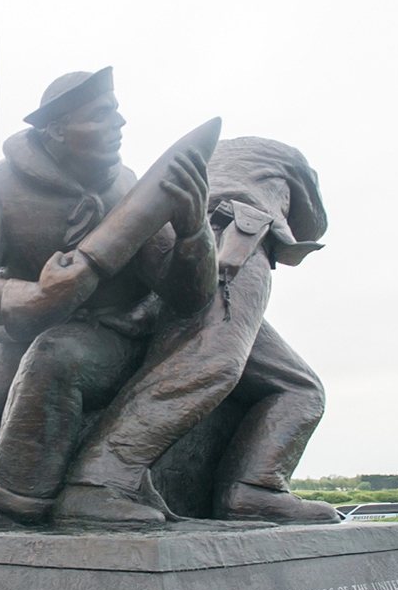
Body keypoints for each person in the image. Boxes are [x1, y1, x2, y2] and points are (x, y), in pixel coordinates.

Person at [0, 67, 218, 525]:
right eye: (102, 116)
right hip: (26, 333)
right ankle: (15, 484)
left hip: (115, 337)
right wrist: (30, 297)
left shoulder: (131, 188)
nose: (119, 124)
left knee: (58, 354)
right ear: (57, 131)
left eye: (118, 114)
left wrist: (193, 232)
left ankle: (12, 503)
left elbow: (188, 297)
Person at [61, 136, 339, 524]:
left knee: (298, 387)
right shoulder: (288, 158)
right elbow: (313, 223)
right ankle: (100, 478)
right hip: (237, 239)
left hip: (173, 239)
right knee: (210, 360)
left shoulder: (206, 158)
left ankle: (254, 489)